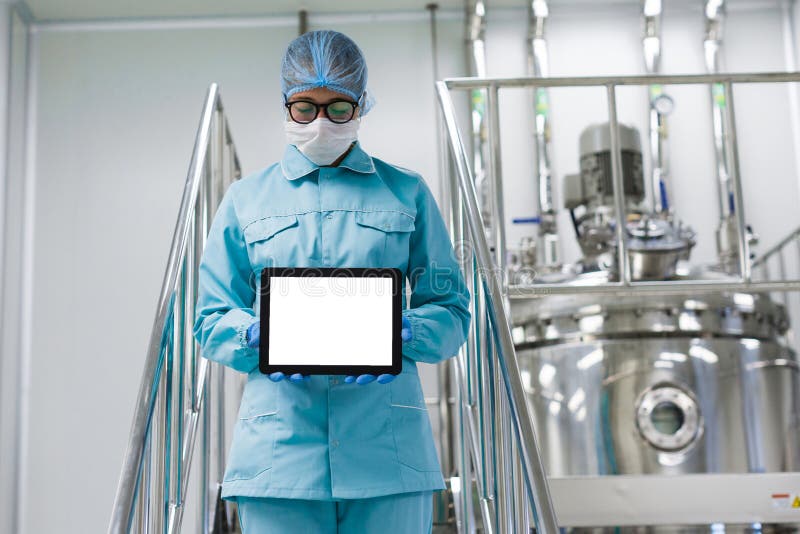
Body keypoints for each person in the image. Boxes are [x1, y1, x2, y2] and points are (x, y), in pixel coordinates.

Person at [193, 29, 471, 534]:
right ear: (285, 105)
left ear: (361, 105)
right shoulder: (243, 199)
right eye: (304, 108)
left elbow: (452, 310)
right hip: (280, 464)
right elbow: (210, 315)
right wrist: (253, 336)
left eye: (337, 108)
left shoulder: (406, 192)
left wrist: (406, 330)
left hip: (387, 456)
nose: (320, 122)